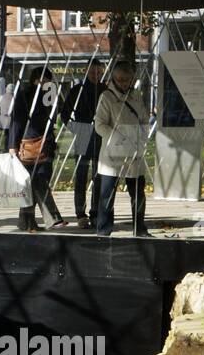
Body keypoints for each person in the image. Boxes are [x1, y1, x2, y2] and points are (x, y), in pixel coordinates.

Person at [94, 59, 149, 237]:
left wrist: (142, 138)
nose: (123, 83)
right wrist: (116, 137)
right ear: (114, 78)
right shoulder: (107, 97)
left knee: (138, 193)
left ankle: (139, 229)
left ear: (132, 79)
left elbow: (143, 120)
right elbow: (99, 125)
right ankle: (104, 231)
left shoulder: (136, 95)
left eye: (126, 79)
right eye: (119, 79)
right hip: (112, 153)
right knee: (107, 196)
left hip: (134, 151)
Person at [7, 66, 66, 232]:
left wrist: (51, 97)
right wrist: (13, 145)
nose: (43, 83)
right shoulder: (25, 95)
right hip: (29, 143)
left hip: (45, 143)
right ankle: (52, 218)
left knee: (33, 183)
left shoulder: (50, 96)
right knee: (36, 181)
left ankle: (26, 222)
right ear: (33, 80)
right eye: (40, 80)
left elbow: (53, 118)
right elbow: (16, 120)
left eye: (47, 80)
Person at [61, 58, 104, 228]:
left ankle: (95, 213)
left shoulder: (104, 89)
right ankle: (81, 214)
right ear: (86, 71)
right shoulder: (77, 90)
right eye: (92, 72)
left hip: (100, 135)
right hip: (83, 133)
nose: (95, 75)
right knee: (81, 175)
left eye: (98, 72)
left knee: (98, 176)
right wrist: (76, 129)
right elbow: (64, 114)